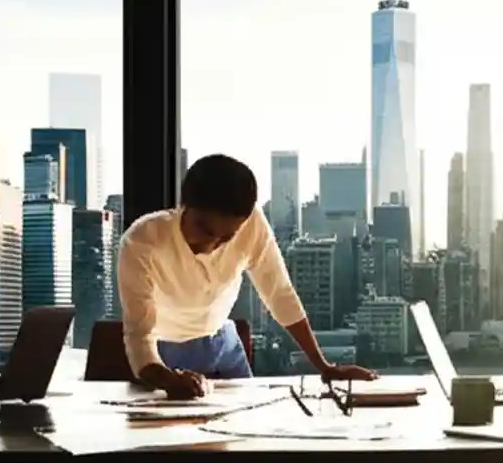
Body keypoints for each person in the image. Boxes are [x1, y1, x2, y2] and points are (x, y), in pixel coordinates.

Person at [118, 154, 376, 399]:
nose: (211, 246)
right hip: (162, 352)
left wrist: (325, 367)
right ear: (183, 206)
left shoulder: (252, 224)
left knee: (247, 432)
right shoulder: (143, 241)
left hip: (224, 345)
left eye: (226, 237)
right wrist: (166, 379)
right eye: (205, 230)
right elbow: (139, 335)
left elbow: (279, 294)